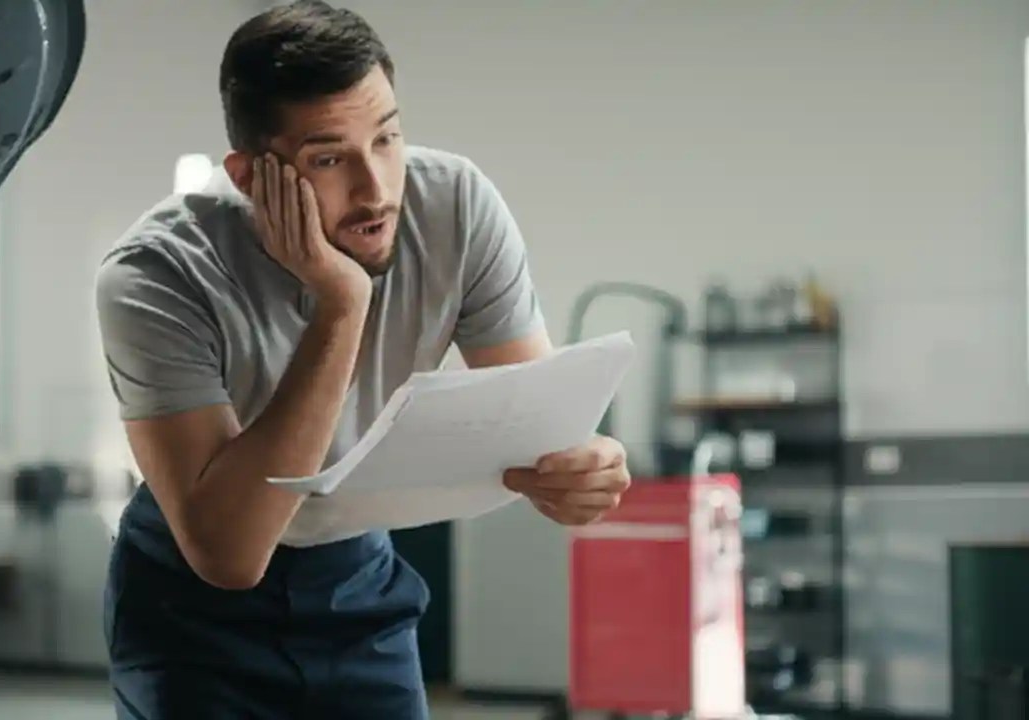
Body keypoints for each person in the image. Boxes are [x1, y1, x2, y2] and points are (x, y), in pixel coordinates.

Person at [94, 2, 632, 718]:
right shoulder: (155, 275)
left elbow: (532, 418)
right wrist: (340, 304)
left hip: (356, 574)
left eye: (387, 139)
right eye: (328, 159)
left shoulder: (455, 206)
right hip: (195, 600)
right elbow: (230, 553)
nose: (376, 189)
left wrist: (579, 466)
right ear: (252, 175)